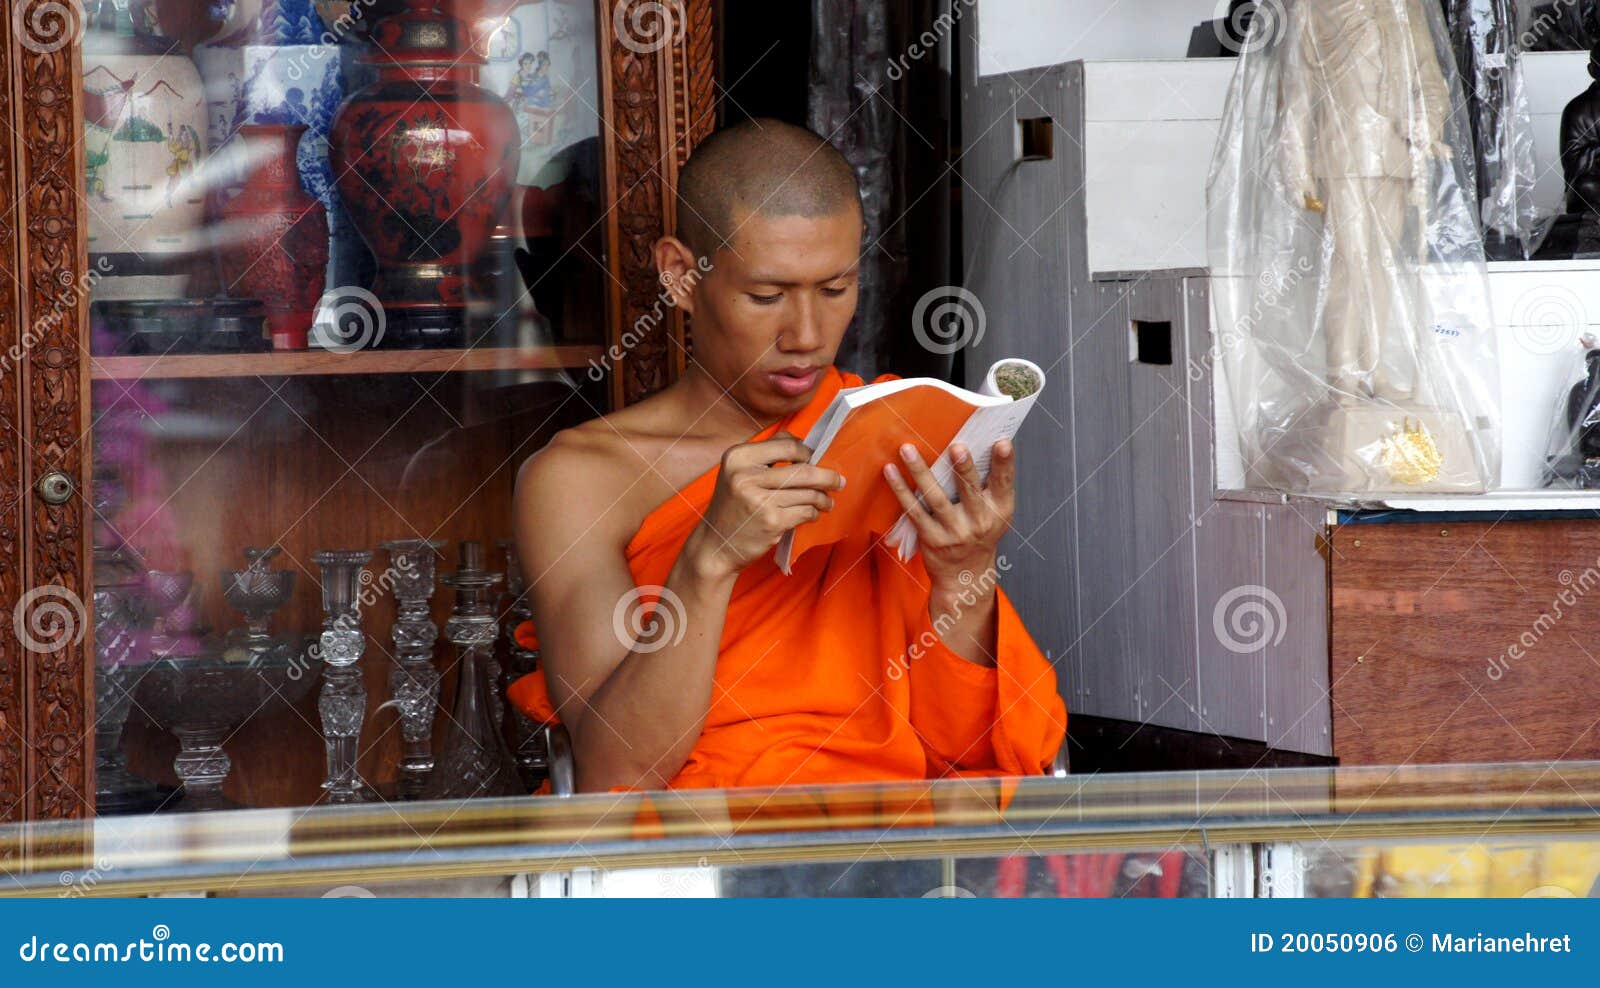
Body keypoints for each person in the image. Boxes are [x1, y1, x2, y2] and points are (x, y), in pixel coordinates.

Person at [508, 119, 1066, 793]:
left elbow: (978, 756)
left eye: (835, 290)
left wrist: (964, 578)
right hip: (691, 851)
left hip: (887, 837)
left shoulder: (896, 435)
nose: (807, 335)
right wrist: (707, 561)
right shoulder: (580, 479)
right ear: (681, 276)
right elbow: (617, 771)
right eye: (766, 296)